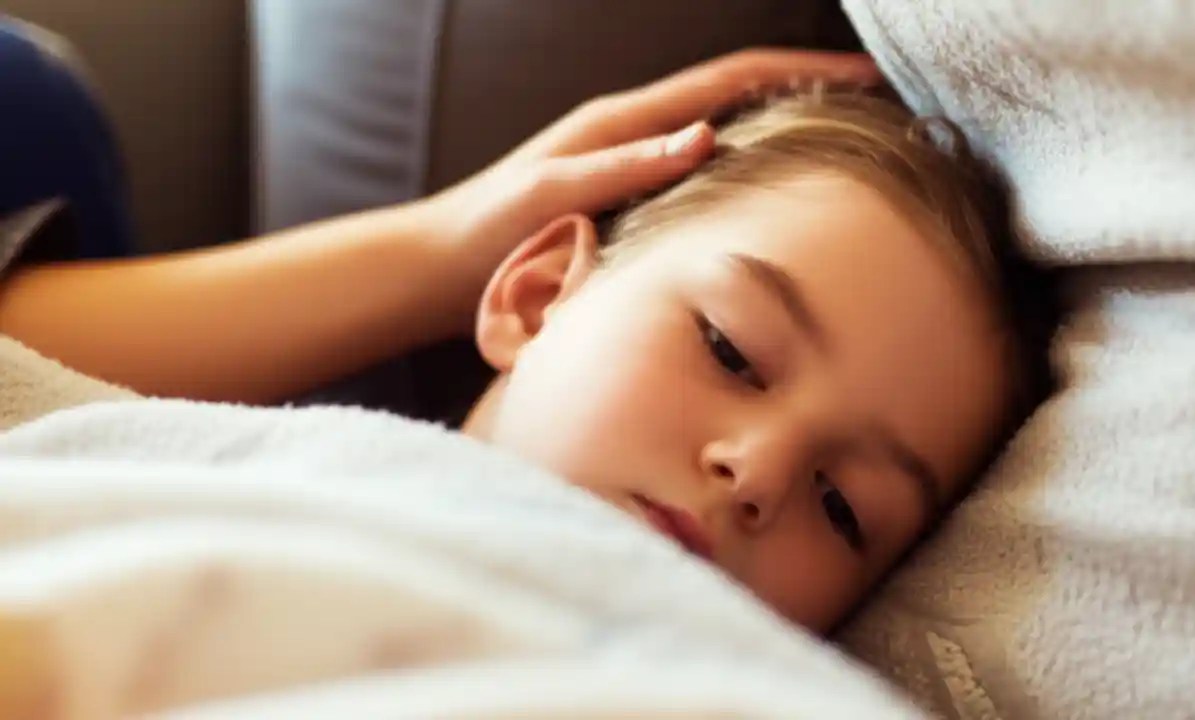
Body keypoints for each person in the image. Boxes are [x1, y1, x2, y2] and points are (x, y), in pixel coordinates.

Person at [0, 51, 1052, 633]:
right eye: (730, 351)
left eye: (843, 510)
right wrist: (438, 246)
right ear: (539, 292)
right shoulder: (245, 470)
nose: (759, 473)